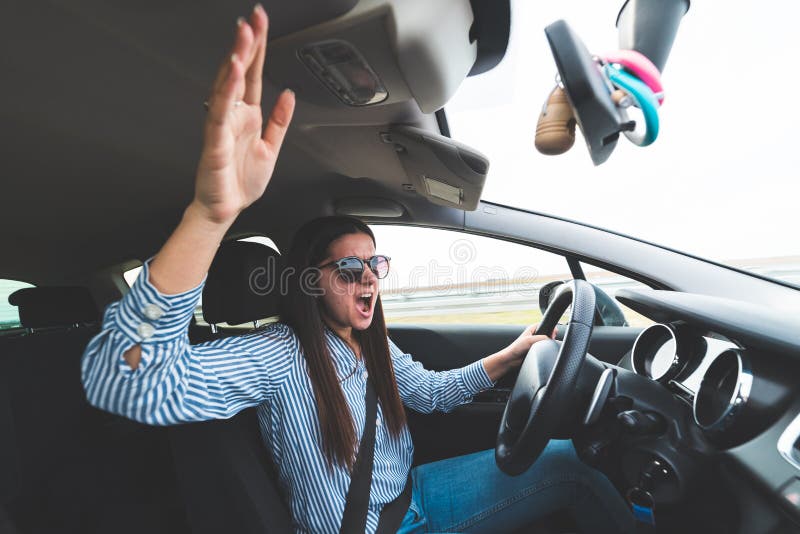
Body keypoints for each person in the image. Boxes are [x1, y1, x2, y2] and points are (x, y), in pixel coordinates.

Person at [81, 5, 634, 533]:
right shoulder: (280, 354)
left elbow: (432, 394)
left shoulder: (367, 342)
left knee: (570, 457)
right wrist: (209, 215)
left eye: (375, 264)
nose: (369, 277)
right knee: (574, 467)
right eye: (349, 267)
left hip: (412, 495)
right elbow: (130, 380)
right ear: (309, 280)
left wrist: (517, 353)